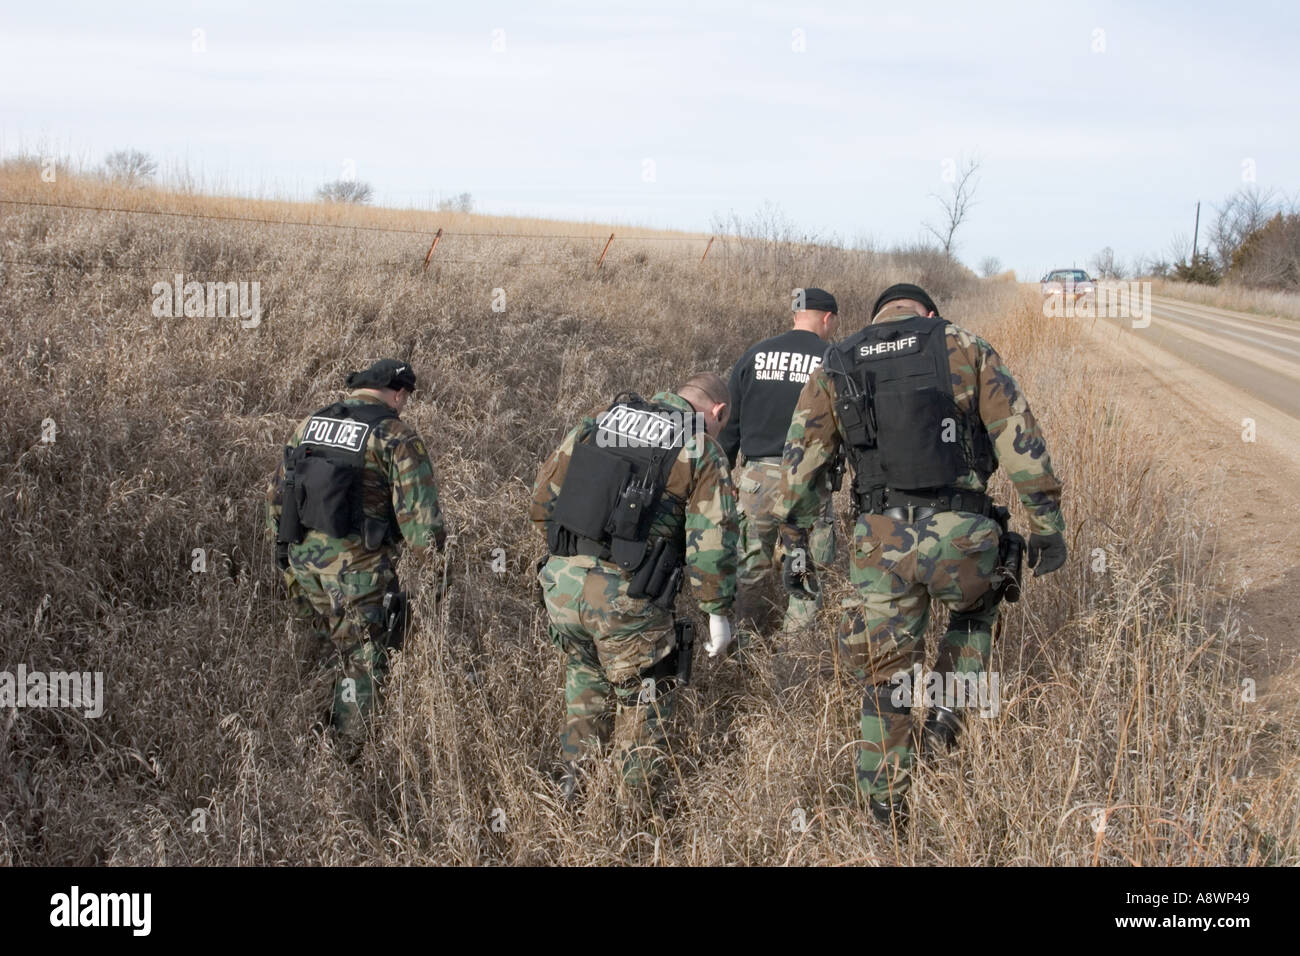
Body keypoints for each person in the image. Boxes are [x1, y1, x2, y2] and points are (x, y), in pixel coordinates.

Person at [777, 284, 1067, 827]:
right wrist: (1046, 523)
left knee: (885, 678)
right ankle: (946, 711)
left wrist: (795, 549)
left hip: (881, 539)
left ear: (877, 317)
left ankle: (886, 810)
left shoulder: (839, 360)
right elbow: (1018, 435)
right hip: (962, 534)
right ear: (928, 314)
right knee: (982, 600)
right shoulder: (962, 343)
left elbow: (800, 469)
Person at [530, 373, 740, 800]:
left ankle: (573, 789)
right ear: (717, 413)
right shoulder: (701, 448)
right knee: (647, 700)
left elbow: (541, 503)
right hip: (627, 601)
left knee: (585, 675)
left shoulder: (599, 420)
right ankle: (630, 820)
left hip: (561, 588)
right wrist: (717, 612)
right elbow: (711, 544)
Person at [265, 359, 445, 753]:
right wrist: (435, 581)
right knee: (362, 660)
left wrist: (285, 556)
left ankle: (305, 728)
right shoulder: (395, 434)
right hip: (358, 574)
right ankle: (347, 754)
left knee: (328, 645)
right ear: (399, 394)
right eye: (405, 399)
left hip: (302, 565)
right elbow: (423, 523)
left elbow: (278, 496)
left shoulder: (310, 424)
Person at [719, 287, 841, 634]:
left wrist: (723, 475)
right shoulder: (833, 358)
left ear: (795, 315)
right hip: (809, 483)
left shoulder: (754, 355)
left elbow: (731, 424)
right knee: (806, 572)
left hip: (756, 480)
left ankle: (745, 649)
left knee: (750, 570)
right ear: (827, 318)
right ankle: (792, 660)